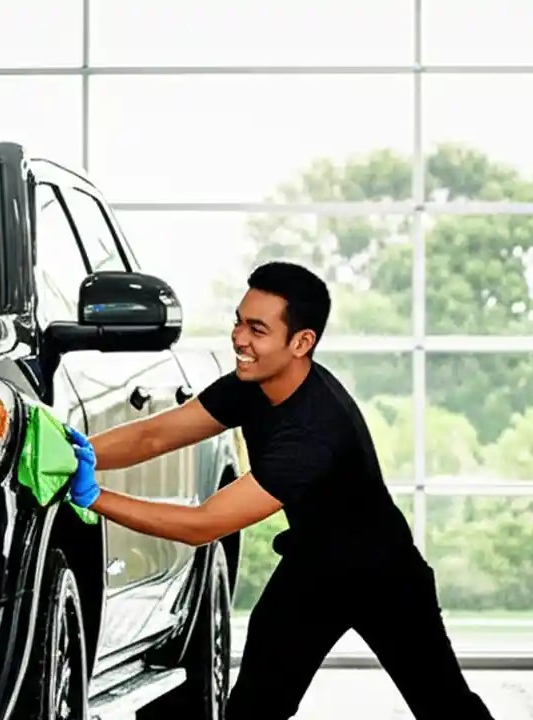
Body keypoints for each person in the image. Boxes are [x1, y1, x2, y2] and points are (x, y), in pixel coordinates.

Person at [62, 261, 494, 719]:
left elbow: (203, 525)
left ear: (301, 342)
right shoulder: (252, 384)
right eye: (238, 321)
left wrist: (94, 497)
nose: (239, 339)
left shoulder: (314, 432)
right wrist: (74, 453)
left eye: (257, 329)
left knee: (446, 708)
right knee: (254, 710)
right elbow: (154, 436)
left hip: (383, 578)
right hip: (312, 570)